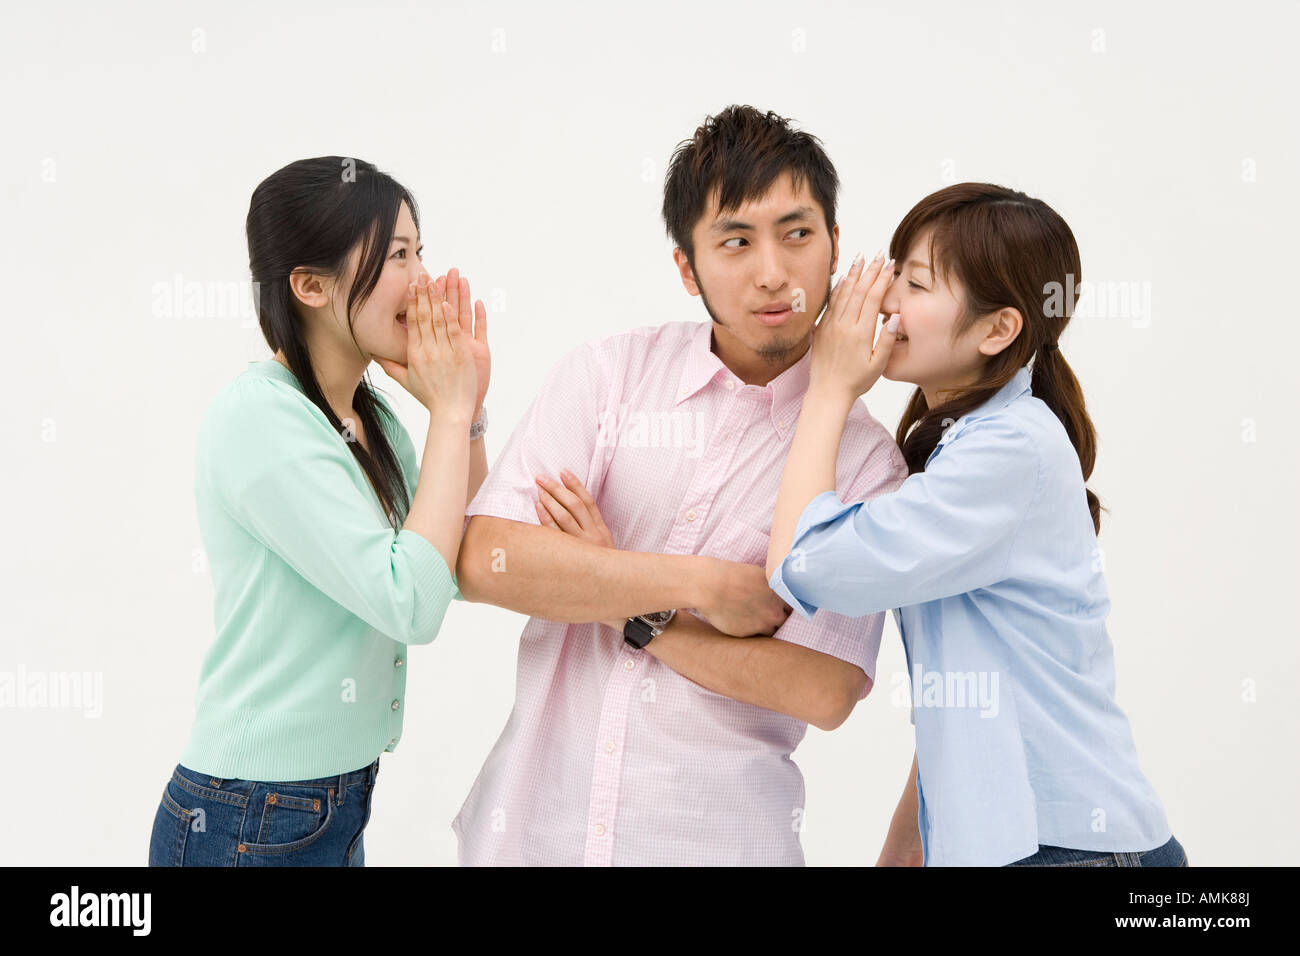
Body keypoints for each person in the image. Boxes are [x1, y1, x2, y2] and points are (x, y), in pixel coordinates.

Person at [451, 105, 908, 866]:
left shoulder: (866, 465)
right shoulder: (610, 375)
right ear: (687, 268)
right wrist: (702, 586)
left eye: (798, 234)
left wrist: (622, 595)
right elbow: (487, 562)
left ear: (834, 244)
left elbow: (823, 689)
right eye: (736, 241)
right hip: (531, 839)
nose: (773, 272)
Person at [765, 182, 1187, 867]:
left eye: (917, 283)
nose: (886, 297)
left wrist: (830, 387)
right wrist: (905, 851)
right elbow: (966, 697)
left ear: (998, 330)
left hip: (1069, 851)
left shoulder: (1009, 450)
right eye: (895, 271)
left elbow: (805, 563)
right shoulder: (965, 445)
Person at [148, 156, 490, 866]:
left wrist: (467, 411)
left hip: (324, 804)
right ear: (309, 285)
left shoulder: (372, 420)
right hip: (247, 814)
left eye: (419, 251)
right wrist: (450, 411)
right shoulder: (260, 419)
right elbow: (410, 603)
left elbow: (457, 564)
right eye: (397, 255)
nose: (423, 279)